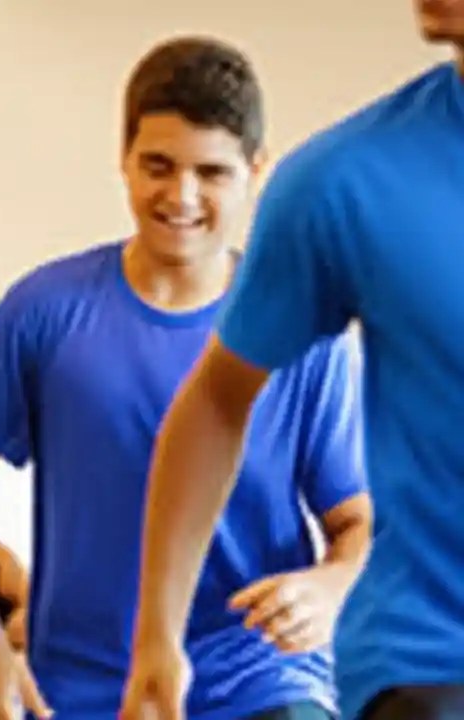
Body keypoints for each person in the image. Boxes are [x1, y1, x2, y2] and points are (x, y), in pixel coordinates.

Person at [0, 36, 372, 720]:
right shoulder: (45, 310)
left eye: (211, 172)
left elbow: (358, 522)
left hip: (259, 674)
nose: (181, 195)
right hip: (83, 687)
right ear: (124, 159)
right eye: (158, 165)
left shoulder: (305, 332)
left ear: (256, 171)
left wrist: (332, 586)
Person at [121, 8, 464, 720]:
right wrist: (158, 636)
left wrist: (330, 582)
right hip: (431, 668)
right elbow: (216, 399)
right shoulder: (343, 182)